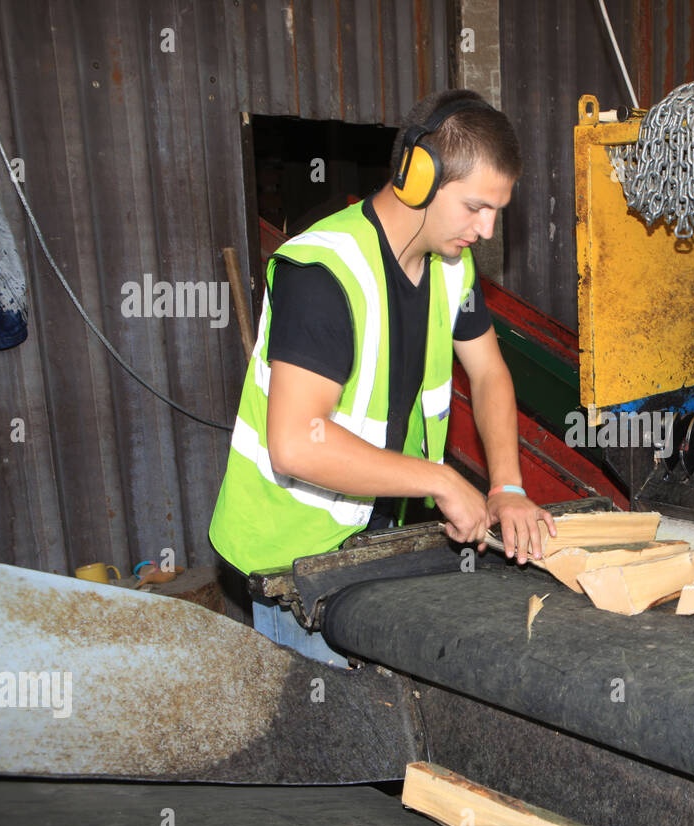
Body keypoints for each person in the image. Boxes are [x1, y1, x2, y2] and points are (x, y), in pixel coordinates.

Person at [209, 89, 555, 667]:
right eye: (475, 207)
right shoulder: (322, 270)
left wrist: (508, 487)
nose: (488, 230)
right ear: (416, 176)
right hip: (293, 559)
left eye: (498, 210)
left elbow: (490, 372)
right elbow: (295, 443)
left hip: (382, 547)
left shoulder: (452, 267)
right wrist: (442, 481)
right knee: (329, 738)